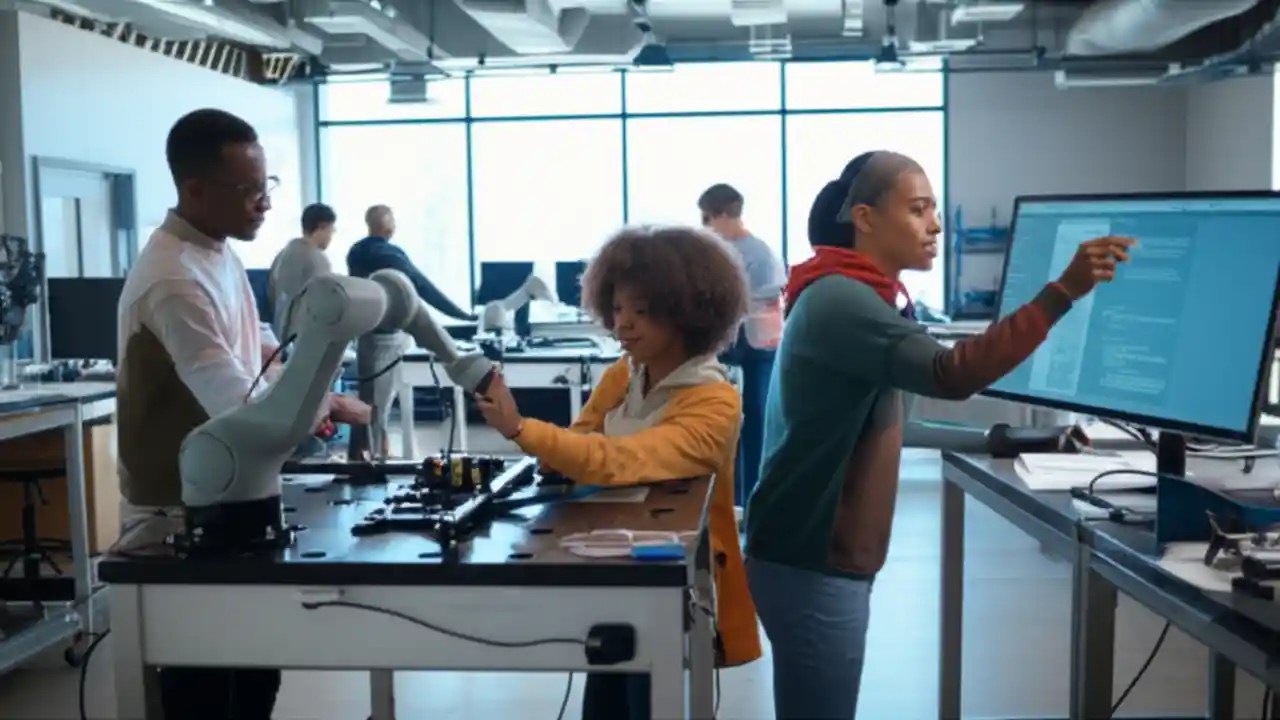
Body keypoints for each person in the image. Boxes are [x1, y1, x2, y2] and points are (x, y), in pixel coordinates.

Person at [743, 150, 1136, 720]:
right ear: (865, 218)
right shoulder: (842, 301)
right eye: (918, 209)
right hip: (811, 561)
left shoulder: (845, 293)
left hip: (807, 556)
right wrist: (1061, 293)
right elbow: (952, 374)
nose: (934, 225)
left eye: (934, 211)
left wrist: (1008, 440)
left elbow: (895, 421)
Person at [114, 108, 371, 719]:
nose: (263, 204)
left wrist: (308, 392)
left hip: (233, 497)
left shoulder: (218, 251)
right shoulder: (171, 278)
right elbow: (233, 401)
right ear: (195, 189)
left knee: (254, 675)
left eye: (267, 188)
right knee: (205, 691)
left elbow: (256, 348)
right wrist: (324, 403)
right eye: (249, 191)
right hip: (177, 513)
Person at [473, 226, 763, 720]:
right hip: (611, 563)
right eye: (620, 308)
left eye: (642, 311)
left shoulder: (714, 402)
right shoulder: (625, 373)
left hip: (670, 583)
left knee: (645, 701)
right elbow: (581, 443)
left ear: (687, 312)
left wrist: (521, 428)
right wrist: (546, 447)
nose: (623, 324)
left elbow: (620, 460)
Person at [346, 204, 477, 460]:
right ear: (387, 224)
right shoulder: (392, 254)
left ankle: (364, 454)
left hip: (367, 333)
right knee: (379, 403)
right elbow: (422, 289)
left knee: (371, 399)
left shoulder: (356, 252)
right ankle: (372, 458)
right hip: (389, 337)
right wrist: (462, 315)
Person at [698, 183, 785, 509]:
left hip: (758, 346)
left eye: (708, 217)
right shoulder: (716, 251)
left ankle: (754, 501)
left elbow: (765, 298)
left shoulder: (759, 253)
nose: (705, 225)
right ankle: (728, 500)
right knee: (726, 422)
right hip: (728, 345)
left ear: (723, 215)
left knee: (757, 421)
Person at [268, 202, 336, 342]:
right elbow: (326, 304)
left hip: (279, 336)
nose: (331, 236)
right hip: (304, 339)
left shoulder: (282, 254)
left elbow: (271, 294)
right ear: (322, 227)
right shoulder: (317, 258)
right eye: (331, 230)